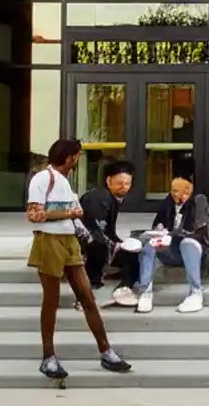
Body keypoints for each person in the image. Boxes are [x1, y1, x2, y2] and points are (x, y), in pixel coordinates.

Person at [26, 138, 132, 379]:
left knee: (87, 297)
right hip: (49, 241)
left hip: (70, 242)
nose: (79, 159)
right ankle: (48, 357)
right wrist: (69, 212)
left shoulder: (66, 183)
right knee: (51, 301)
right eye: (77, 155)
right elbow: (34, 214)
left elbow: (78, 214)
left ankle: (106, 351)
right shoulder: (43, 178)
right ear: (69, 156)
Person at [135, 176, 209, 314]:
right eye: (174, 191)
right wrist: (158, 231)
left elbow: (200, 231)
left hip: (199, 253)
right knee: (150, 244)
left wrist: (172, 235)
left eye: (181, 191)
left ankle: (195, 292)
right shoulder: (169, 202)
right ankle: (145, 291)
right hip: (173, 249)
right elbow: (158, 224)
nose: (176, 194)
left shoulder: (199, 201)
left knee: (188, 243)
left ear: (189, 189)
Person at [79, 160, 139, 307]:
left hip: (96, 244)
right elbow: (95, 230)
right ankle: (105, 288)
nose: (123, 187)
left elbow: (108, 232)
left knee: (134, 252)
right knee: (130, 257)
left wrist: (121, 243)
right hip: (86, 246)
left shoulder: (111, 198)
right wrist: (116, 245)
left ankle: (119, 285)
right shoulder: (99, 198)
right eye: (119, 183)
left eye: (127, 183)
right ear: (108, 180)